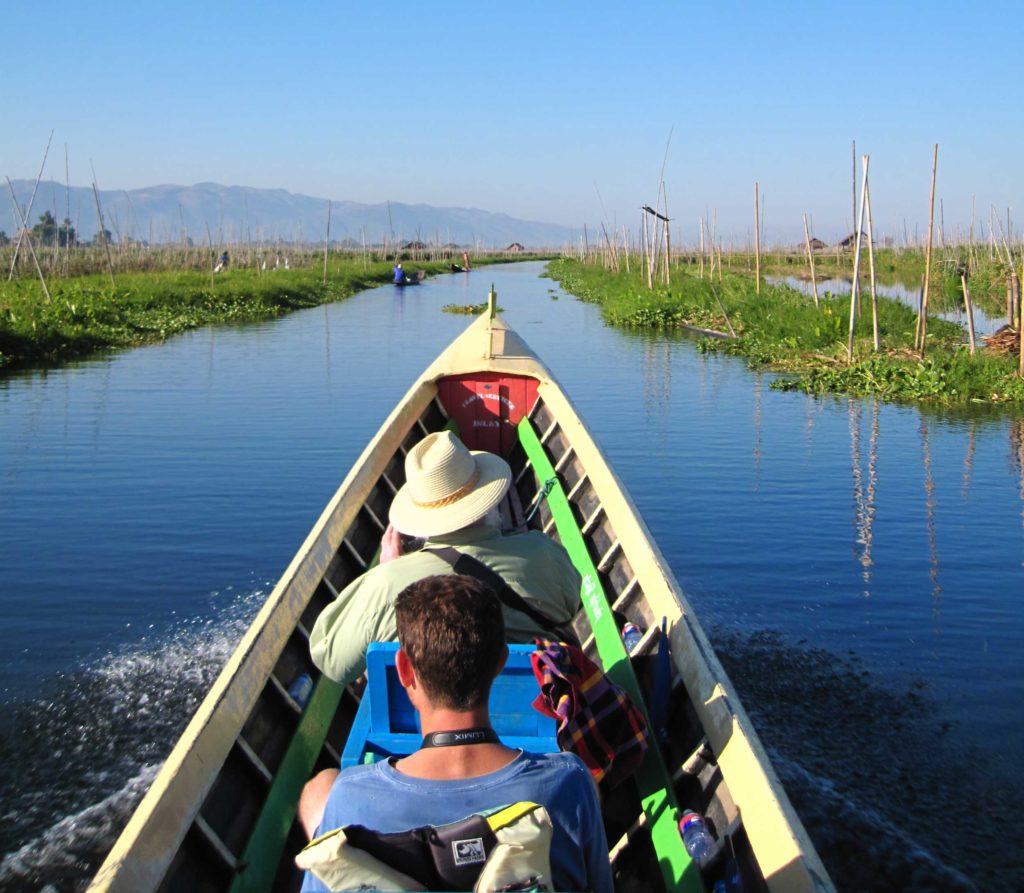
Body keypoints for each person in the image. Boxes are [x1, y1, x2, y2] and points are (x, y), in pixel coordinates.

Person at [298, 575, 613, 893]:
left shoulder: (350, 798)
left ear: (405, 670)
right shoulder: (569, 782)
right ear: (500, 663)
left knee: (319, 790)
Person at [309, 430, 581, 687]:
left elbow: (333, 662)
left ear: (420, 516)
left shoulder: (386, 583)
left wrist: (390, 571)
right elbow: (571, 606)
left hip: (418, 731)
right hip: (539, 718)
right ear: (488, 496)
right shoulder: (543, 553)